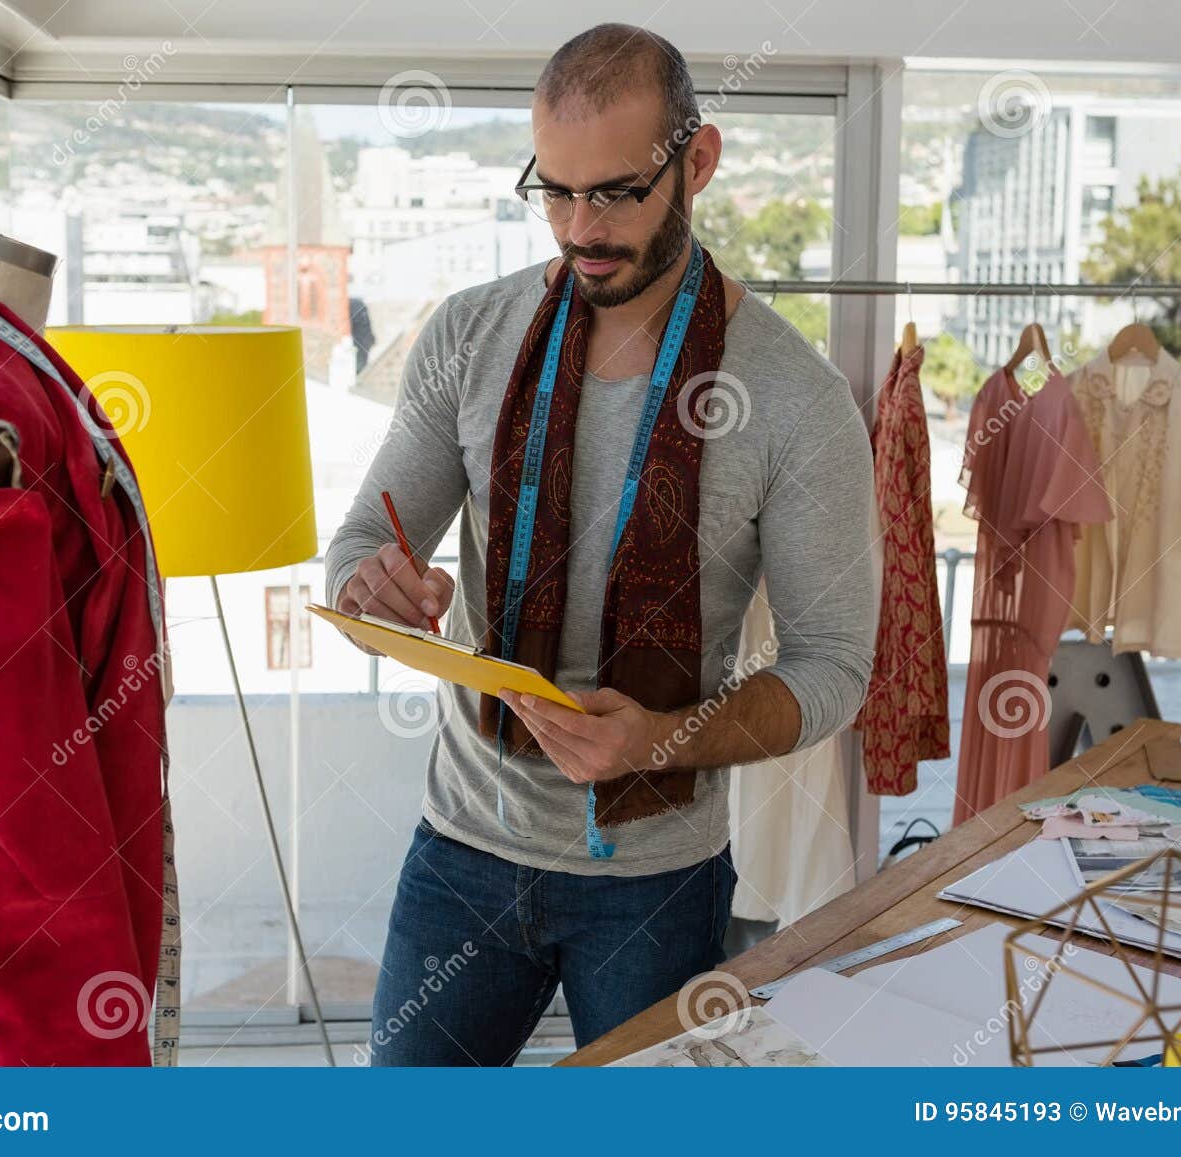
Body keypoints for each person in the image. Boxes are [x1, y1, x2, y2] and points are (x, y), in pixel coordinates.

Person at [324, 23, 876, 1065]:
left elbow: (835, 669)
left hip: (656, 883)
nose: (582, 229)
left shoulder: (796, 398)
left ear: (696, 162)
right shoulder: (466, 335)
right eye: (556, 191)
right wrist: (368, 590)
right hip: (462, 850)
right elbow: (357, 543)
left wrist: (662, 739)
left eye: (617, 193)